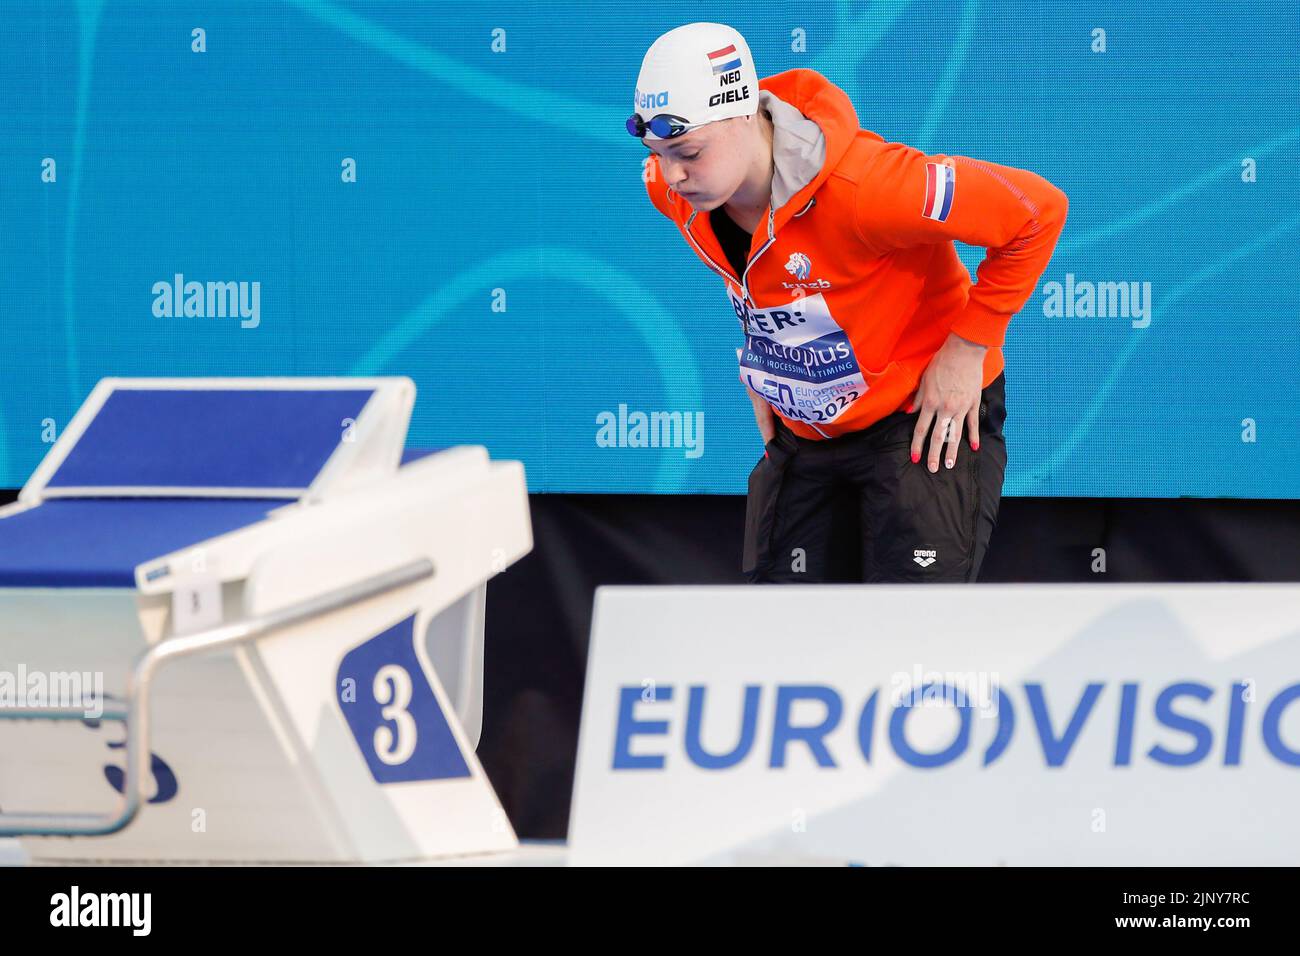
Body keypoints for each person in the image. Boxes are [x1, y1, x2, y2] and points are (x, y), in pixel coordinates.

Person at [630, 23, 1068, 583]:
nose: (672, 175)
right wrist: (770, 357)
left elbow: (1036, 211)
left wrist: (968, 349)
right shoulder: (674, 189)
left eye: (687, 152)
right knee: (791, 645)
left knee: (909, 646)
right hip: (810, 428)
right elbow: (769, 265)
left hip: (919, 420)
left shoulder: (871, 188)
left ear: (744, 113)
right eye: (657, 153)